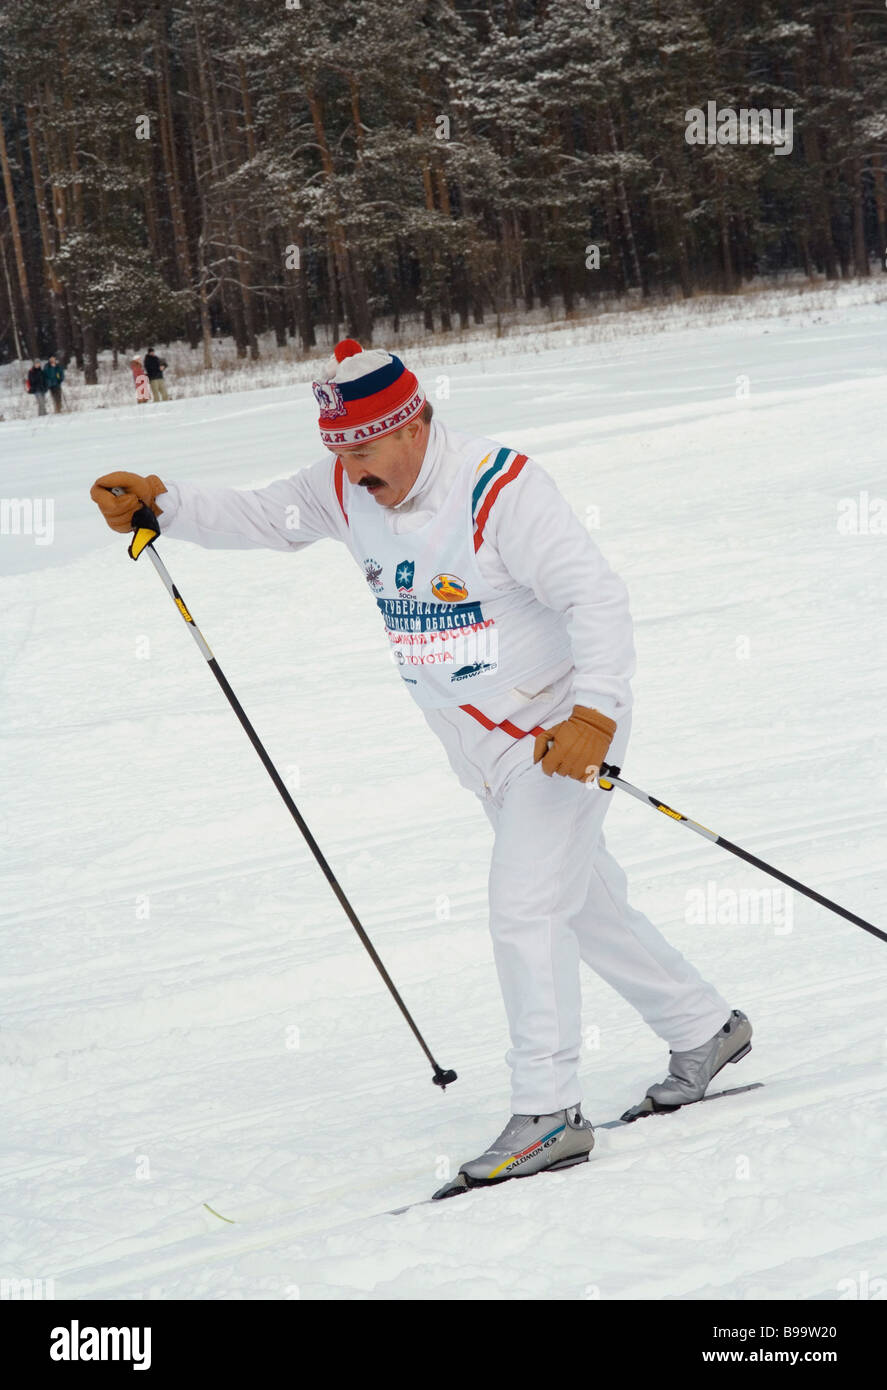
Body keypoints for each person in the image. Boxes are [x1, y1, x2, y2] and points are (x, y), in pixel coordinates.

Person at [90, 339, 751, 1188]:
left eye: (362, 450)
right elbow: (261, 515)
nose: (351, 470)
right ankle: (702, 1026)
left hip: (556, 730)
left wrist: (597, 713)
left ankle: (547, 1112)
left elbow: (596, 597)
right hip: (472, 740)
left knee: (523, 906)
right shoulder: (342, 485)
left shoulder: (498, 488)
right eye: (339, 451)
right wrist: (163, 504)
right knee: (580, 901)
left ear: (412, 426)